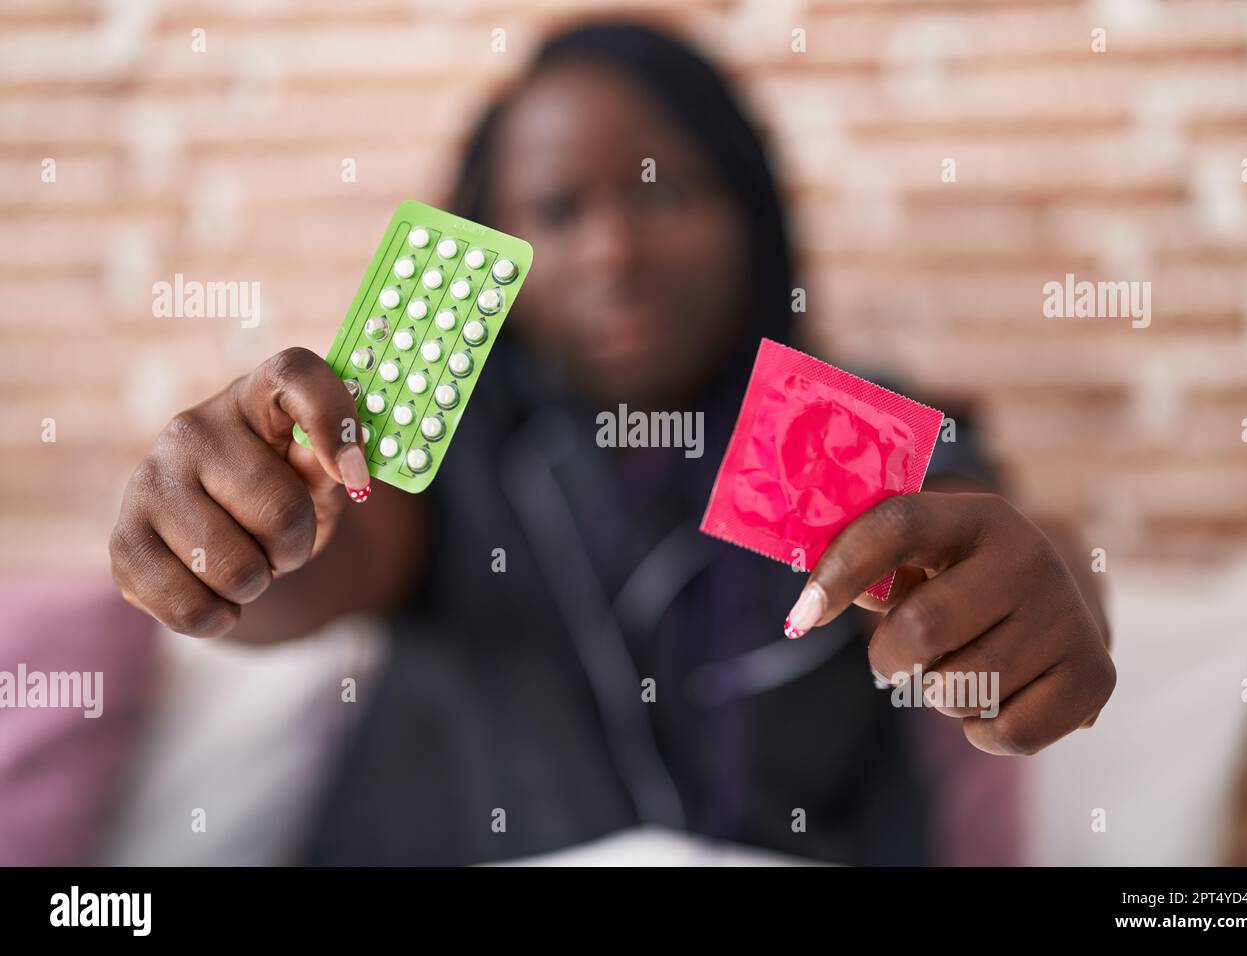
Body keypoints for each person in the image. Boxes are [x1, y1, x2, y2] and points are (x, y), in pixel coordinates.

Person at [109, 22, 1114, 865]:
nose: (614, 252)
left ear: (748, 217)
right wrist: (227, 535)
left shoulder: (833, 432)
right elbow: (320, 562)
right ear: (489, 240)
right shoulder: (436, 446)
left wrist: (1046, 603)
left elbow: (980, 536)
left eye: (664, 193)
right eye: (556, 210)